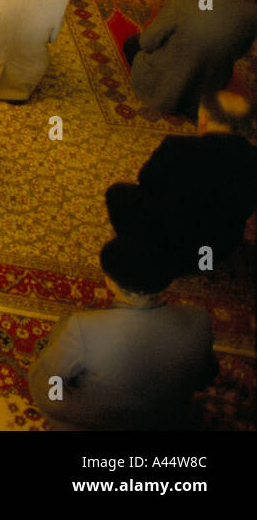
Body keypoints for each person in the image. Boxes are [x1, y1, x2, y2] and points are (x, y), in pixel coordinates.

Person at [27, 237, 218, 430]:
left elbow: (50, 386)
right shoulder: (199, 319)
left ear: (109, 282)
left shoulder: (81, 327)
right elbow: (205, 373)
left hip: (98, 420)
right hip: (164, 418)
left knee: (49, 370)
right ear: (167, 283)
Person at [105, 90, 257, 278]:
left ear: (204, 119)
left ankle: (137, 247)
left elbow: (145, 180)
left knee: (117, 193)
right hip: (212, 253)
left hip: (163, 246)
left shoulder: (177, 147)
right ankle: (202, 266)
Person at [124, 0, 257, 118]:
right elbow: (239, 52)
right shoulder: (251, 13)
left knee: (132, 43)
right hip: (207, 95)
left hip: (164, 93)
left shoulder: (180, 5)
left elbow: (147, 43)